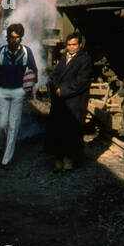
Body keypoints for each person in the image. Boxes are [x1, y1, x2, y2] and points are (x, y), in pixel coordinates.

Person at [0, 23, 38, 168]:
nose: (14, 40)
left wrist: (27, 89)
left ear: (21, 38)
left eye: (17, 38)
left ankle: (6, 159)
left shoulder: (26, 52)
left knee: (13, 126)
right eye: (11, 37)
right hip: (2, 92)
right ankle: (1, 147)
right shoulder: (1, 52)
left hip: (18, 92)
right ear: (7, 37)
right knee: (1, 124)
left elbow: (34, 70)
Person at [44, 33, 93, 172]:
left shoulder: (85, 59)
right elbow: (54, 74)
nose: (71, 47)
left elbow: (81, 81)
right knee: (58, 130)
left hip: (74, 100)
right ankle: (58, 159)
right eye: (69, 45)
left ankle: (69, 160)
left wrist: (63, 90)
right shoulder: (64, 57)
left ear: (80, 45)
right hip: (61, 99)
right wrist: (55, 87)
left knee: (71, 131)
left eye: (74, 45)